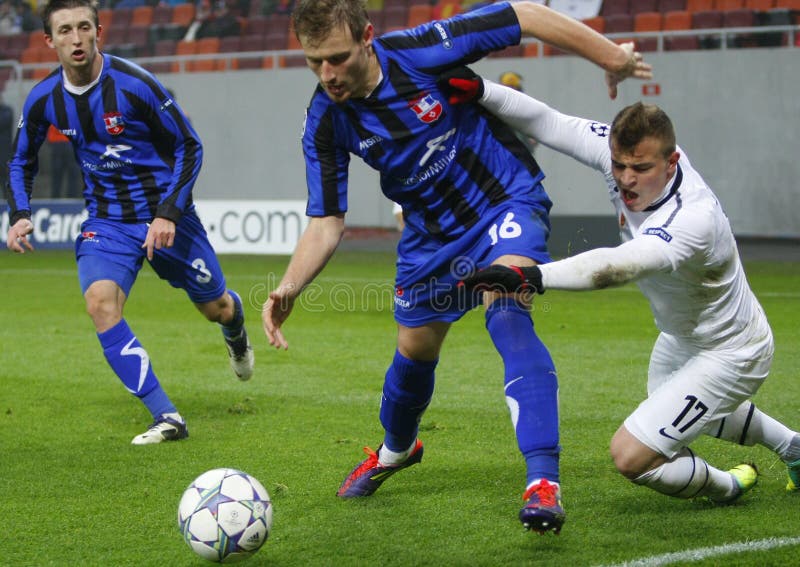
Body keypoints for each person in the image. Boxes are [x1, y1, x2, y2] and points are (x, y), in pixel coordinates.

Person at [261, 0, 651, 534]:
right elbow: (326, 220)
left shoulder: (423, 50)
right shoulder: (326, 120)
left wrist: (610, 57)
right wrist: (290, 286)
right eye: (314, 62)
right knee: (414, 349)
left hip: (503, 201)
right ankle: (397, 450)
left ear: (368, 37)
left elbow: (523, 14)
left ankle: (543, 482)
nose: (327, 74)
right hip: (430, 237)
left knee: (506, 305)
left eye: (337, 58)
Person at [453, 69, 800, 501]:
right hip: (681, 337)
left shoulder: (694, 217)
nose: (626, 178)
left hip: (732, 350)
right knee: (691, 411)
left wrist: (534, 275)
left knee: (632, 455)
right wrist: (483, 89)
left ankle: (728, 486)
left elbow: (619, 266)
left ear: (672, 162)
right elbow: (549, 122)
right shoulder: (618, 157)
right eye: (619, 165)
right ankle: (794, 448)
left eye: (641, 168)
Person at [5, 0, 255, 445]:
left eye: (84, 27)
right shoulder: (44, 98)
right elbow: (21, 159)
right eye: (65, 30)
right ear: (49, 40)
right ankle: (166, 416)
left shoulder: (135, 84)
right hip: (108, 222)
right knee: (100, 303)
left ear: (99, 31)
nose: (76, 38)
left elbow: (190, 146)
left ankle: (234, 328)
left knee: (215, 307)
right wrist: (20, 214)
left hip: (167, 218)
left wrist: (168, 212)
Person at [498, 70, 537, 155]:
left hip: (522, 148)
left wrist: (534, 138)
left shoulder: (525, 103)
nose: (510, 89)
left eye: (512, 87)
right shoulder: (497, 103)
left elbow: (534, 121)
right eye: (508, 86)